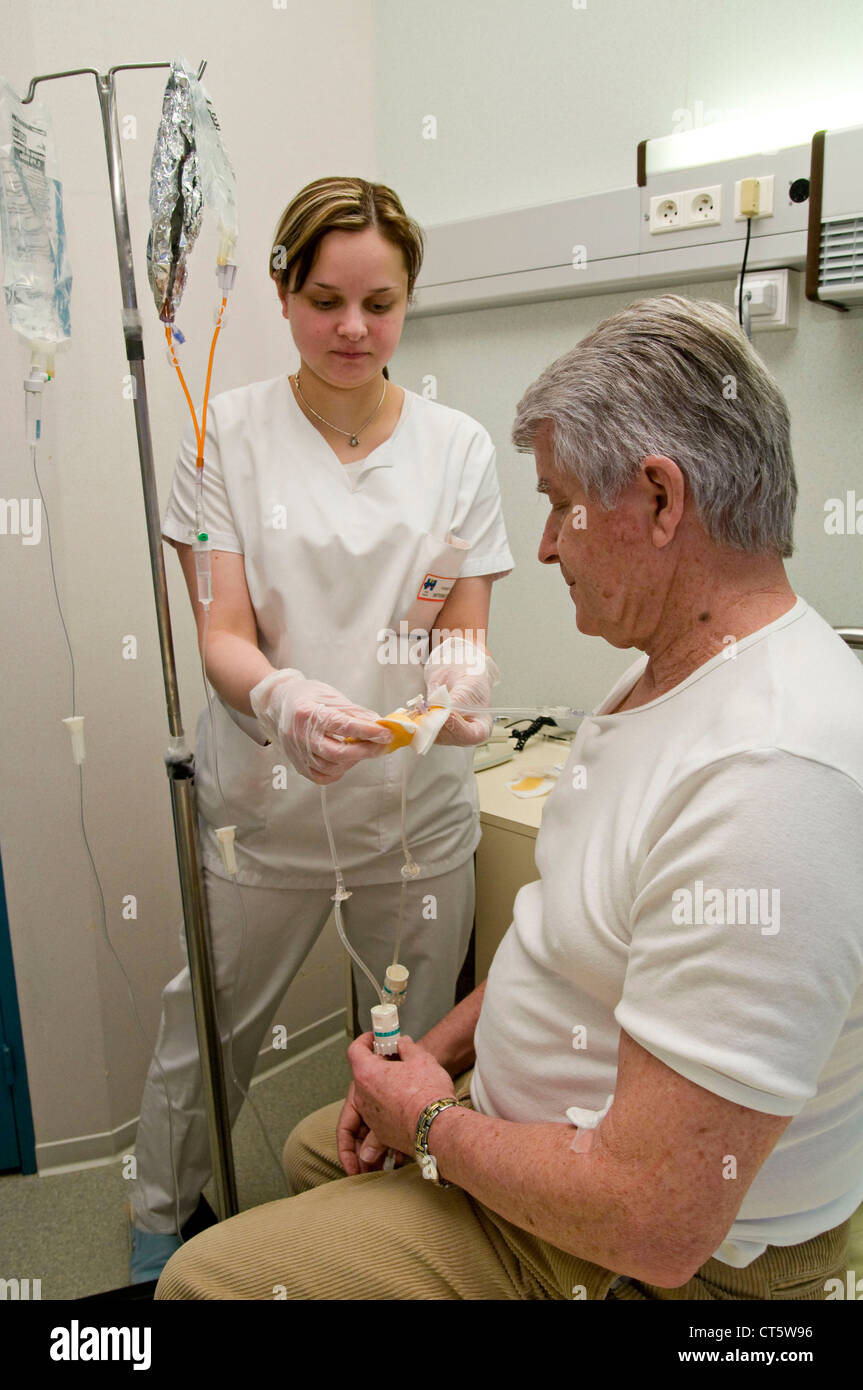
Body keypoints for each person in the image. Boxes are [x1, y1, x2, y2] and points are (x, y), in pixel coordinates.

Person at [155, 294, 863, 1300]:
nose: (543, 547)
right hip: (558, 1125)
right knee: (319, 1146)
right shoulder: (669, 675)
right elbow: (574, 941)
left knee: (201, 1281)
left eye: (560, 502)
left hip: (654, 1262)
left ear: (660, 501)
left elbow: (654, 1222)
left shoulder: (766, 780)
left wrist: (432, 1123)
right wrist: (437, 1053)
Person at [128, 177, 514, 1281]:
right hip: (267, 804)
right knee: (204, 1032)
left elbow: (463, 621)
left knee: (409, 1041)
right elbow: (223, 632)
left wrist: (461, 685)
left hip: (414, 814)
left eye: (380, 304)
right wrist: (283, 699)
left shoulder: (458, 447)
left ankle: (388, 1237)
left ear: (407, 304)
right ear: (285, 293)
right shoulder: (226, 435)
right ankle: (161, 1212)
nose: (353, 329)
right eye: (326, 300)